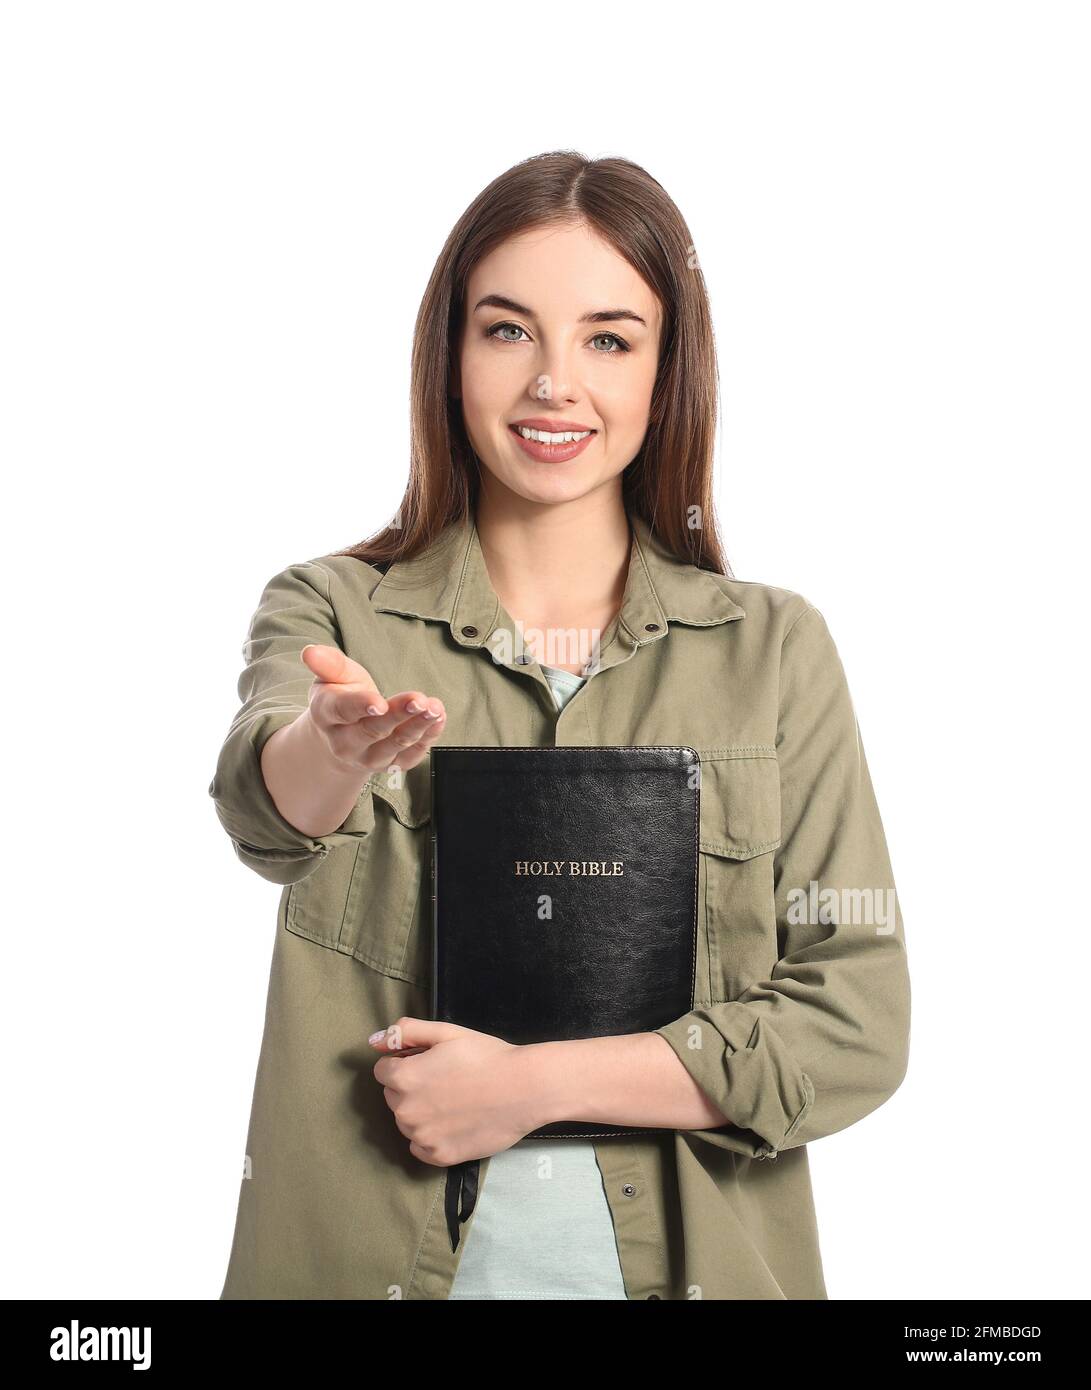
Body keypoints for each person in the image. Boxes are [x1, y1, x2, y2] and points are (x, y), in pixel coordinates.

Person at [209, 150, 911, 1300]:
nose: (552, 384)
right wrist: (327, 755)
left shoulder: (775, 650)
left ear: (664, 371)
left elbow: (854, 1021)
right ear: (448, 354)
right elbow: (263, 802)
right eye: (505, 331)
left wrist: (532, 1083)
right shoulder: (331, 605)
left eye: (606, 337)